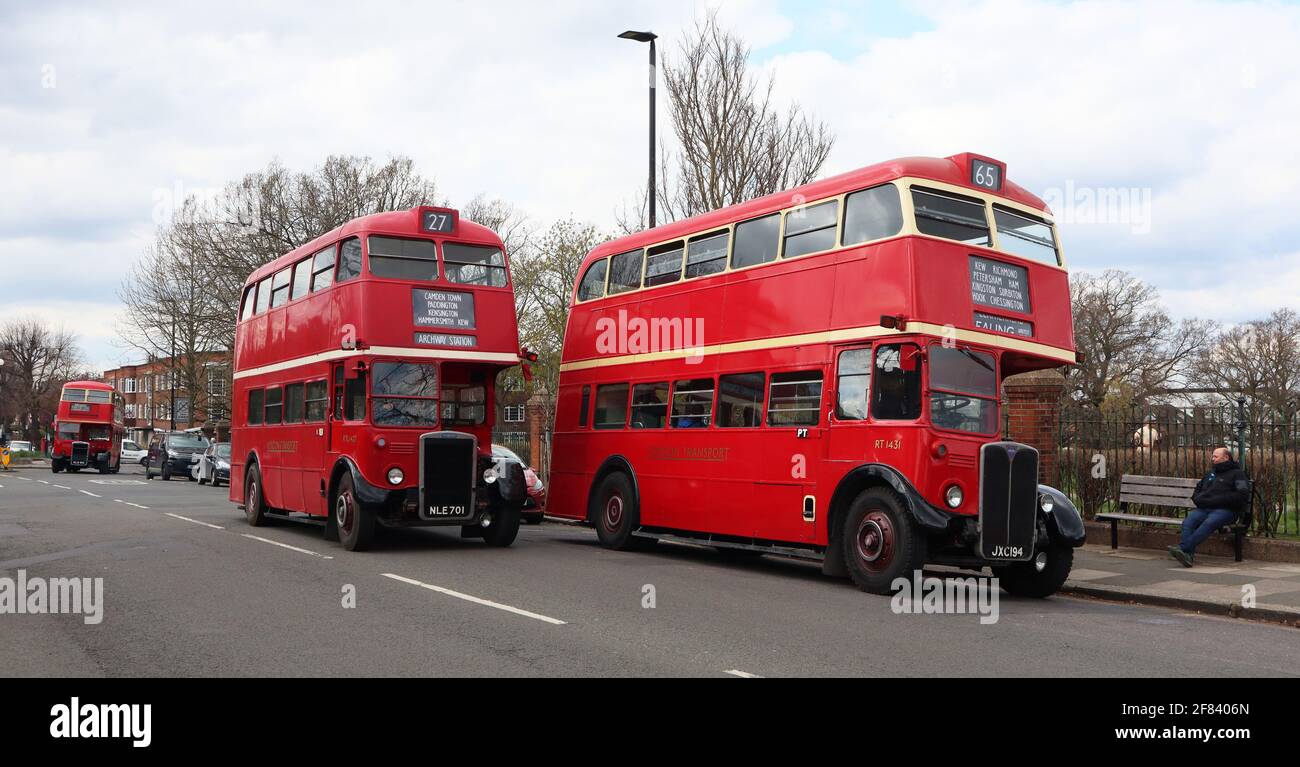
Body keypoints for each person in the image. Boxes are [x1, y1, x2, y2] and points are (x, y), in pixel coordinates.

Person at [1168, 446, 1249, 567]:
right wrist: (1198, 499)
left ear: (1226, 457)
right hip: (1205, 508)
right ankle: (1188, 556)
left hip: (1226, 510)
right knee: (1188, 522)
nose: (1213, 459)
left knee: (1209, 523)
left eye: (1216, 456)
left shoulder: (1238, 474)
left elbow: (1242, 495)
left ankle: (1183, 548)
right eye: (1213, 456)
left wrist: (1217, 500)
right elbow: (1198, 489)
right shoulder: (1211, 473)